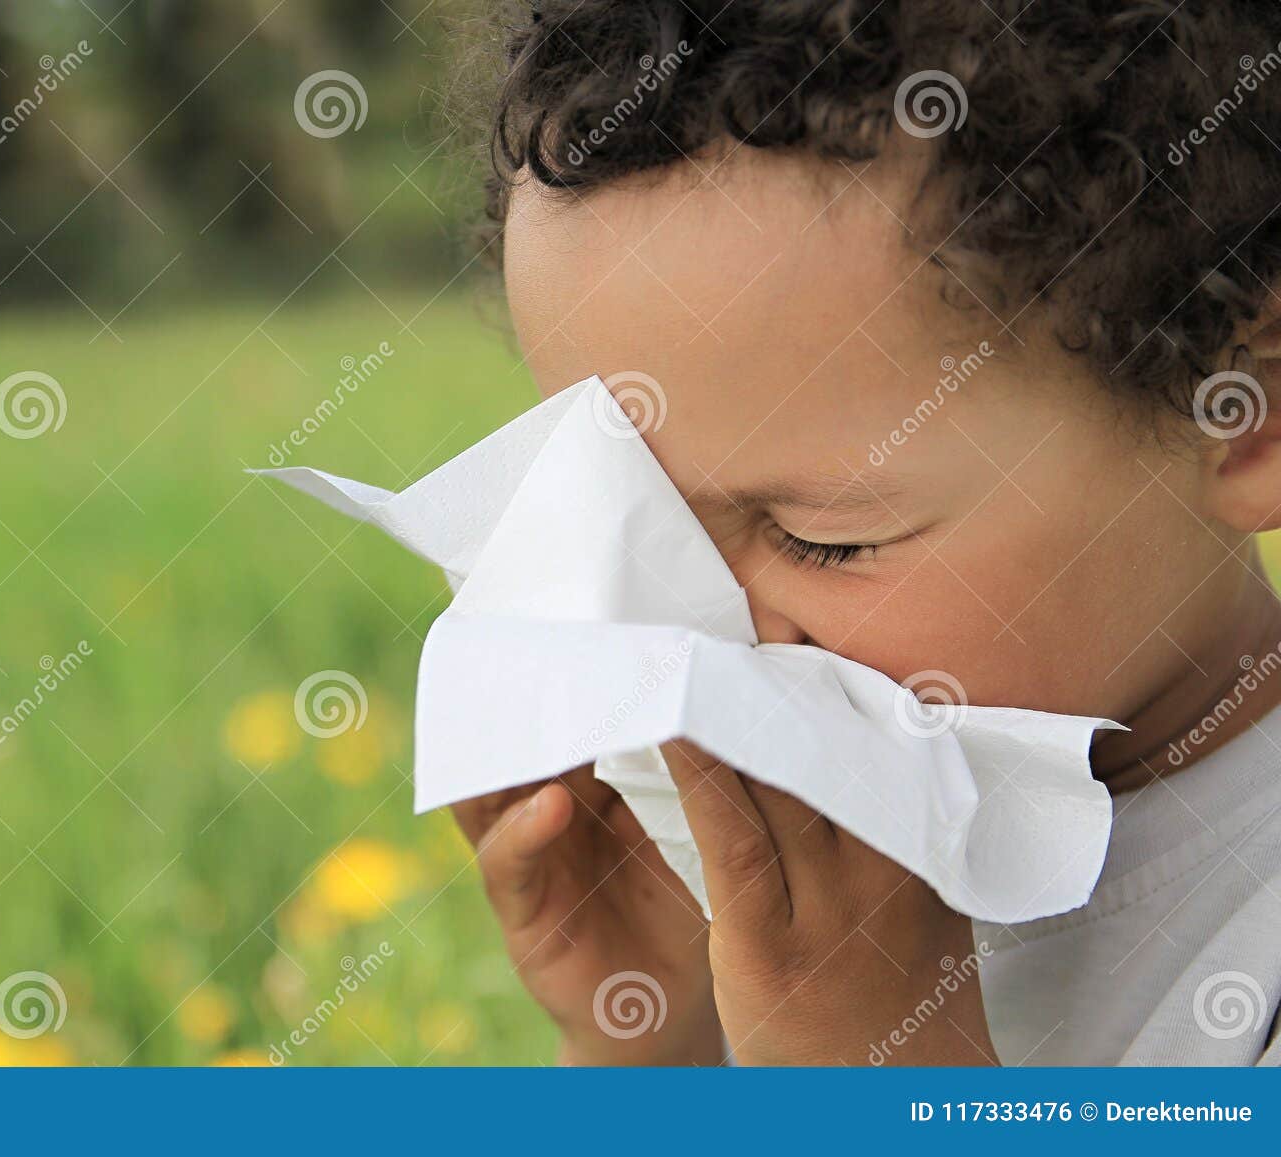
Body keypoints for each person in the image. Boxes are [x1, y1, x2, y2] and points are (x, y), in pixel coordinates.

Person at [449, 0, 1281, 1065]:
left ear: (1239, 413)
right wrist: (666, 1039)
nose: (699, 633)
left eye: (822, 541)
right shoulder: (805, 885)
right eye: (639, 524)